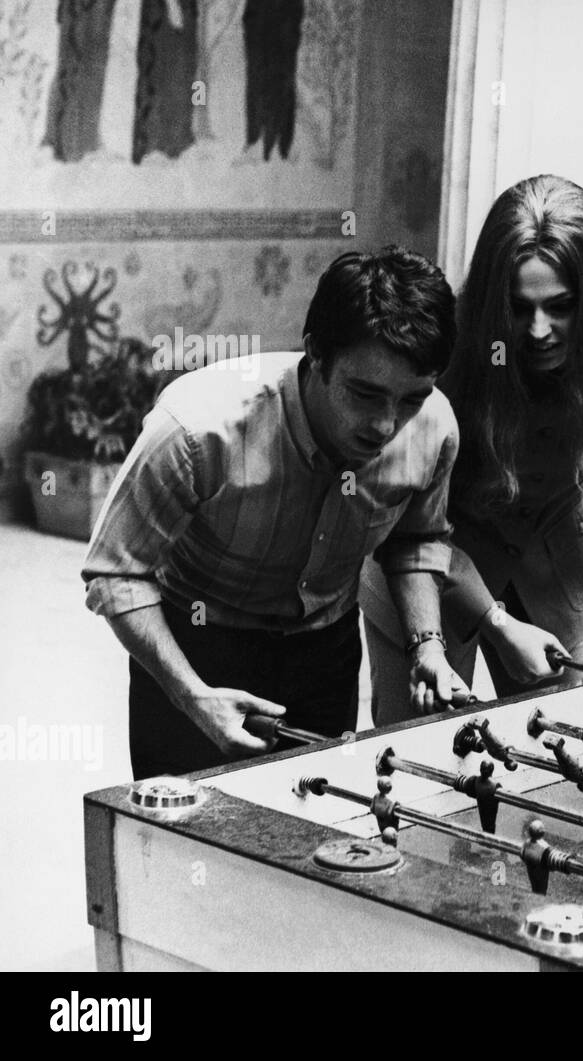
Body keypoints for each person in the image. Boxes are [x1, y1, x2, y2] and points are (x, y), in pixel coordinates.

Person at [82, 247, 469, 779]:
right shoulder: (195, 428)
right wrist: (192, 696)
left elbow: (417, 539)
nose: (385, 425)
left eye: (410, 399)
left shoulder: (435, 426)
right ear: (315, 354)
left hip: (326, 651)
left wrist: (428, 643)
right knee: (183, 843)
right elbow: (115, 572)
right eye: (365, 394)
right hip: (198, 646)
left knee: (315, 840)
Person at [359, 174, 583, 724]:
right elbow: (412, 533)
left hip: (554, 575)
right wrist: (494, 620)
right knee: (420, 757)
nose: (538, 330)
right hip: (427, 583)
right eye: (518, 307)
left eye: (560, 307)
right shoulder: (446, 356)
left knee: (571, 746)